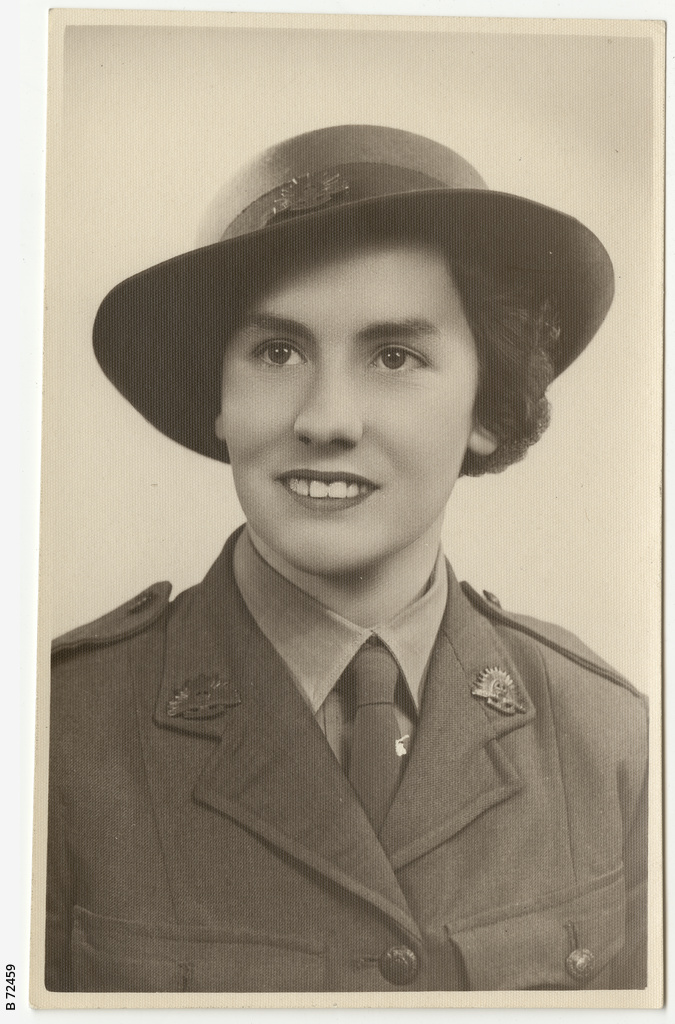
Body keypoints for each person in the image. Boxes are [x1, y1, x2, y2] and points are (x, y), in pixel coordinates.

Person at [46, 125, 647, 993]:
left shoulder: (604, 741)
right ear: (219, 398)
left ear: (489, 401)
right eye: (277, 352)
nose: (326, 419)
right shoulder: (57, 734)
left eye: (394, 355)